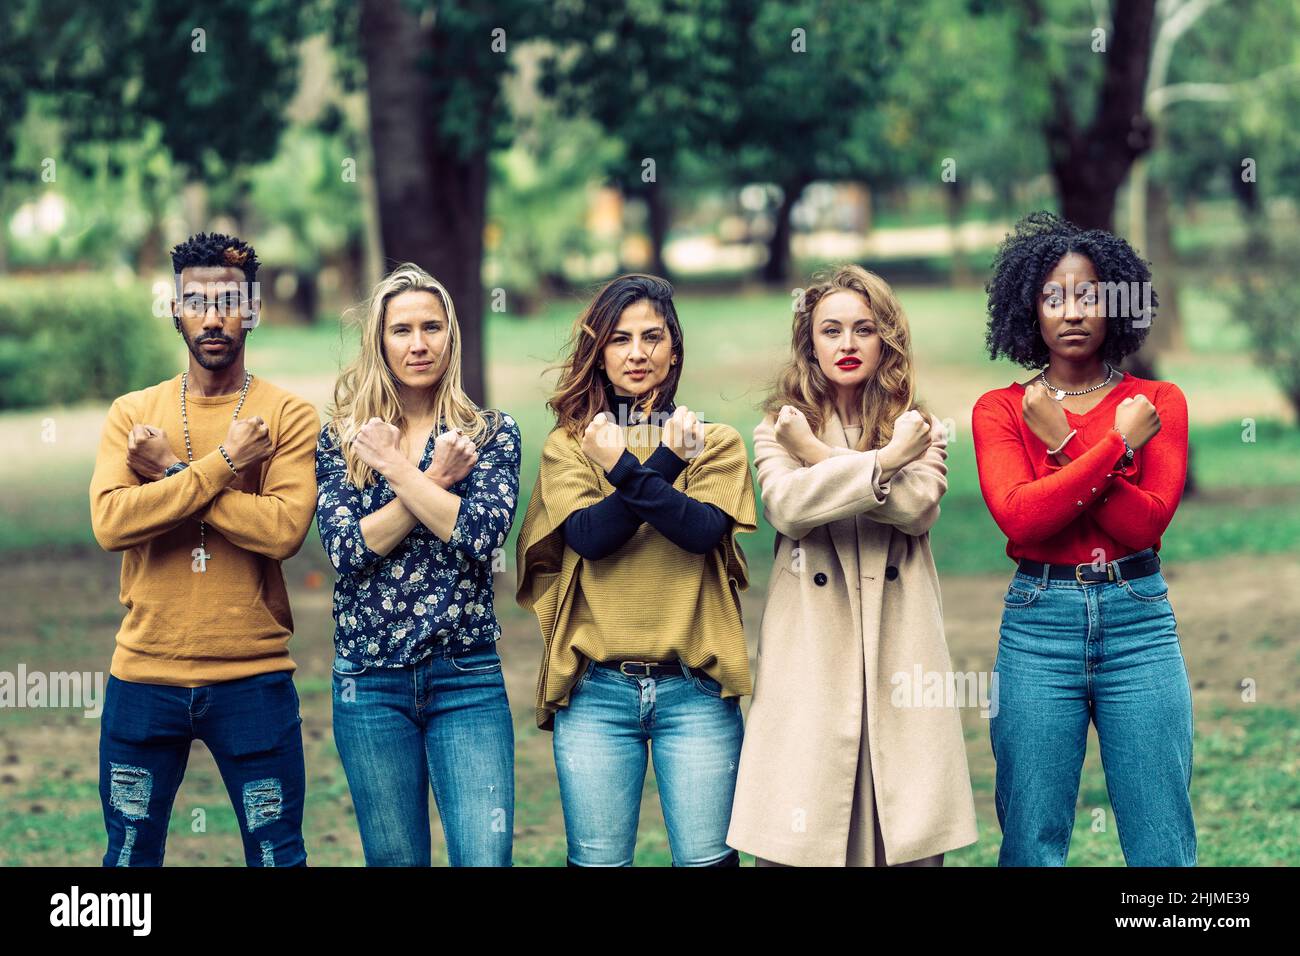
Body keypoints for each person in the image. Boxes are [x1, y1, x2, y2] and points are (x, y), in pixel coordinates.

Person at [726, 264, 978, 867]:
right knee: (807, 824)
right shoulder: (777, 425)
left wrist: (816, 457)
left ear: (885, 339)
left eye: (863, 330)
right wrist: (883, 463)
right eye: (830, 330)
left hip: (900, 645)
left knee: (906, 828)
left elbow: (917, 509)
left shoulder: (915, 424)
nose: (846, 344)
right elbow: (788, 507)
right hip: (812, 650)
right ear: (809, 342)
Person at [972, 211, 1195, 866]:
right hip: (1040, 628)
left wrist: (1069, 443)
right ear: (1029, 309)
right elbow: (1023, 519)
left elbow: (1143, 525)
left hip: (1140, 624)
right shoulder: (1001, 410)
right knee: (1032, 841)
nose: (1073, 311)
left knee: (1161, 844)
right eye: (1054, 296)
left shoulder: (1156, 403)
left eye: (1089, 294)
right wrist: (1115, 448)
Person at [89, 232, 319, 866]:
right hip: (144, 674)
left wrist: (167, 474)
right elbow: (111, 523)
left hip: (253, 675)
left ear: (253, 309)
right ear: (174, 309)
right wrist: (222, 465)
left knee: (277, 857)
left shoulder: (288, 416)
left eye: (228, 301)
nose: (213, 317)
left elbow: (281, 532)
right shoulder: (133, 414)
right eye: (196, 301)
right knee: (128, 861)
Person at [515, 274, 757, 866]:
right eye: (620, 339)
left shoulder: (714, 441)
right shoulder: (570, 447)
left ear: (674, 346)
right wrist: (655, 464)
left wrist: (634, 464)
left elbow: (699, 530)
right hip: (597, 692)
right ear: (599, 353)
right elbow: (592, 538)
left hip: (695, 690)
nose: (638, 353)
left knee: (709, 861)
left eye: (652, 337)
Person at [315, 263, 519, 866]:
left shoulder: (488, 433)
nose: (418, 343)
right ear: (379, 342)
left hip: (467, 678)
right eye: (401, 330)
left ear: (451, 336)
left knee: (485, 857)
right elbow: (348, 552)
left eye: (432, 327)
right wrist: (434, 483)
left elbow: (480, 534)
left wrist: (399, 470)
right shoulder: (343, 439)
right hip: (369, 683)